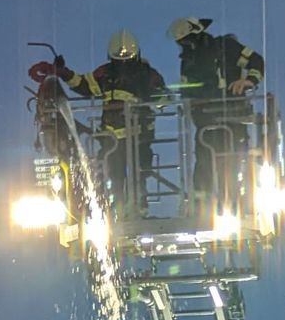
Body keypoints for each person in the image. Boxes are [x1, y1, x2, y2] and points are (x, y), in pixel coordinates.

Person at [58, 29, 166, 216]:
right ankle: (121, 208)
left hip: (134, 134)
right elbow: (85, 85)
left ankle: (134, 207)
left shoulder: (141, 73)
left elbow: (162, 99)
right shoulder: (114, 73)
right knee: (118, 173)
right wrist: (65, 73)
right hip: (115, 135)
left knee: (137, 171)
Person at [167, 17, 264, 208]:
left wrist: (249, 81)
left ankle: (232, 204)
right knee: (204, 163)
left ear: (195, 35)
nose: (183, 46)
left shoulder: (226, 47)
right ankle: (202, 207)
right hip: (205, 121)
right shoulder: (188, 60)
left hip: (233, 117)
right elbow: (187, 90)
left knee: (232, 162)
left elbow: (256, 61)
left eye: (185, 41)